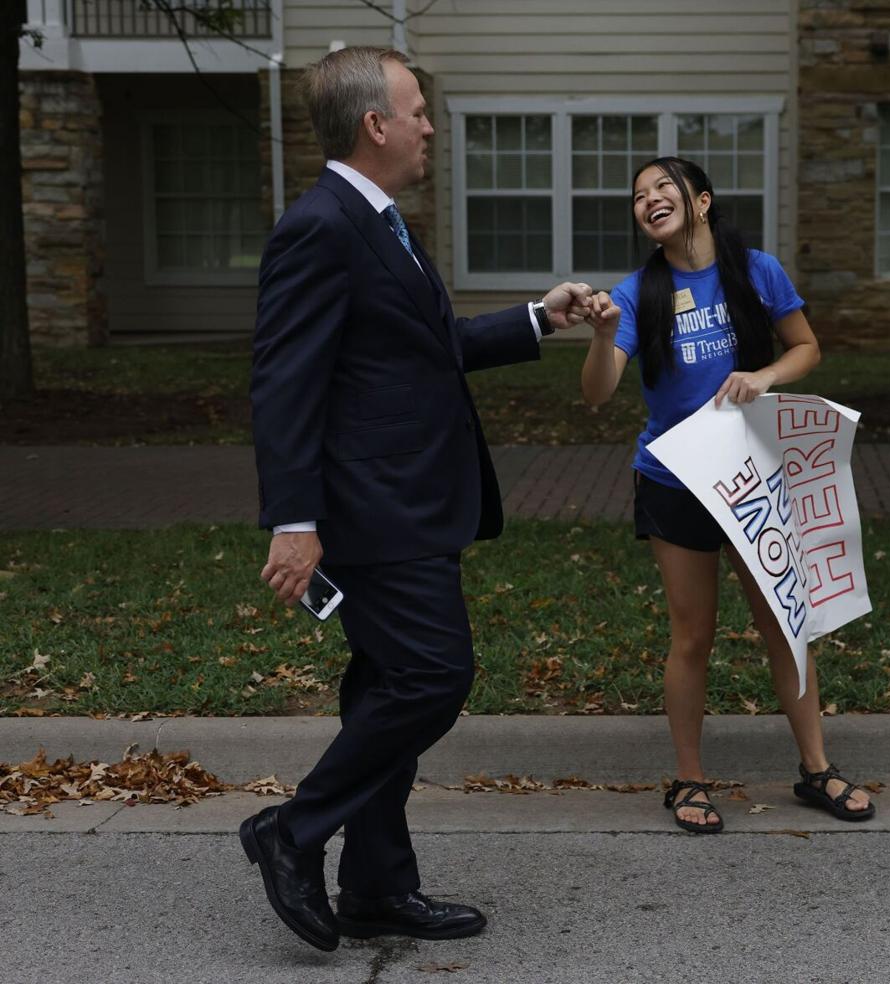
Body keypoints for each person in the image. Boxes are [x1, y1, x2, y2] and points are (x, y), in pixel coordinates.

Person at [242, 46, 594, 951]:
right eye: (419, 109)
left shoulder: (381, 222)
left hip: (410, 503)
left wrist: (535, 320)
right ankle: (291, 831)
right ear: (376, 125)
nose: (430, 125)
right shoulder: (322, 226)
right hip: (373, 511)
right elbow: (285, 385)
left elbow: (419, 347)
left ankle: (375, 886)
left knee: (387, 688)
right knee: (434, 677)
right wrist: (295, 521)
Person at [580, 156, 874, 833]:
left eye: (664, 187)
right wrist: (600, 338)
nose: (649, 199)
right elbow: (596, 394)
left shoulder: (755, 270)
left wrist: (765, 375)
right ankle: (689, 780)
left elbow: (806, 348)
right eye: (638, 196)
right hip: (674, 480)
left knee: (783, 620)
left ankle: (816, 768)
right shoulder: (635, 294)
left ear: (702, 201)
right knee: (694, 635)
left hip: (754, 472)